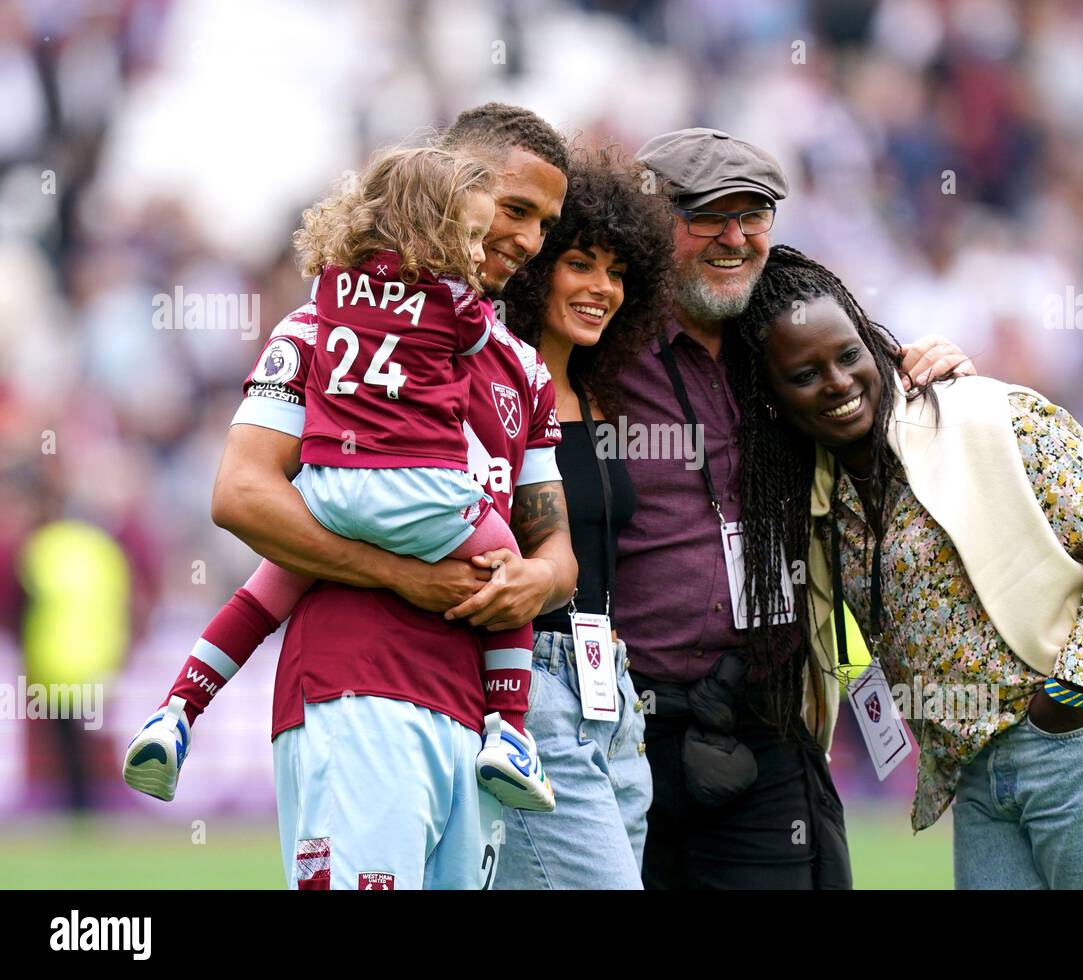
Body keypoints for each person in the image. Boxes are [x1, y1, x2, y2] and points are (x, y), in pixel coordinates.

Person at [124, 103, 576, 890]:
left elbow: (556, 553)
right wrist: (398, 573)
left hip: (465, 713)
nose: (528, 241)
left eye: (545, 223)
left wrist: (536, 582)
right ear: (451, 195)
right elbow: (240, 495)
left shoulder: (525, 372)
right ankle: (175, 714)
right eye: (512, 211)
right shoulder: (311, 331)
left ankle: (178, 709)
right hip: (355, 686)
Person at [728, 245, 1083, 889]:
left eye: (848, 355)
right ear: (773, 399)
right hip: (976, 772)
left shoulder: (984, 412)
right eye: (805, 374)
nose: (838, 382)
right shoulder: (819, 496)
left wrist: (1069, 692)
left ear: (874, 346)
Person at [620, 128, 975, 889]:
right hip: (625, 728)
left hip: (765, 716)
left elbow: (871, 394)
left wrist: (938, 372)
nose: (737, 236)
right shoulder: (598, 342)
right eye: (710, 214)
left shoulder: (785, 333)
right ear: (651, 222)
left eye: (755, 215)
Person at [492, 149, 674, 888]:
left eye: (619, 272)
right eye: (580, 263)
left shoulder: (598, 395)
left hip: (614, 697)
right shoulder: (491, 384)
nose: (603, 288)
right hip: (527, 685)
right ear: (535, 267)